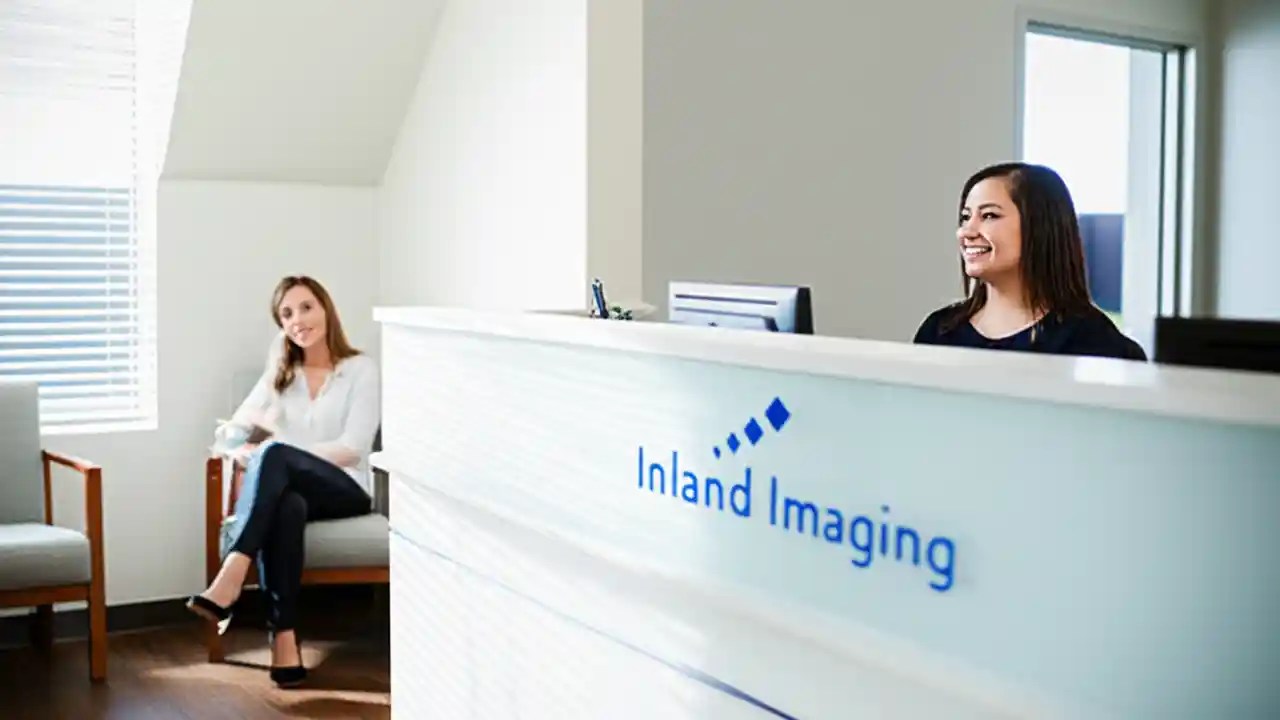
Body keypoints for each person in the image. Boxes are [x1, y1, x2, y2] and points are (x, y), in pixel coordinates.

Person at [186, 275, 380, 688]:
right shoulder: (281, 373)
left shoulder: (361, 369)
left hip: (345, 489)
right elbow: (228, 433)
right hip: (295, 493)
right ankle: (284, 643)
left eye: (306, 307)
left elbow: (353, 447)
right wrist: (247, 437)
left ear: (326, 308)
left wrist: (283, 450)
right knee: (287, 505)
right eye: (286, 314)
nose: (298, 320)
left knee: (276, 455)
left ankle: (232, 572)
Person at [913, 162, 1147, 361]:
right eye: (965, 217)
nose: (966, 232)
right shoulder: (938, 332)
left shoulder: (1095, 343)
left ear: (1039, 228)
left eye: (989, 215)